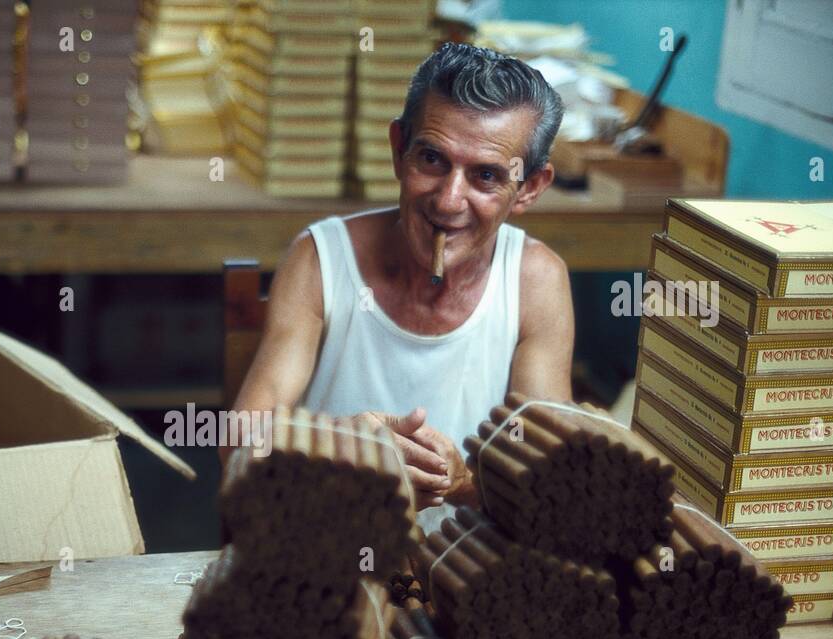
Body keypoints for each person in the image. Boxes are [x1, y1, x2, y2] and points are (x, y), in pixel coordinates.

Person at [229, 42, 575, 533]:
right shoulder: (320, 259)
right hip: (322, 557)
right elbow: (238, 445)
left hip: (456, 574)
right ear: (398, 149)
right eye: (432, 159)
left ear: (531, 187)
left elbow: (548, 482)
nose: (450, 201)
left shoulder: (536, 280)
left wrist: (462, 482)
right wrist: (338, 447)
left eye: (486, 176)